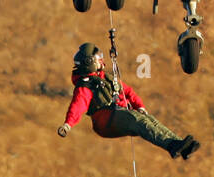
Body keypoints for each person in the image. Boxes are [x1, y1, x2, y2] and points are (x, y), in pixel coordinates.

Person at [57, 42, 200, 160]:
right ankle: (172, 146)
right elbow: (77, 107)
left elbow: (128, 91)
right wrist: (68, 125)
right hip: (106, 120)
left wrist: (140, 106)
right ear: (90, 63)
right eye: (98, 58)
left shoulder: (105, 78)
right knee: (139, 121)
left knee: (148, 119)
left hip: (117, 113)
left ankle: (181, 146)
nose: (102, 60)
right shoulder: (85, 86)